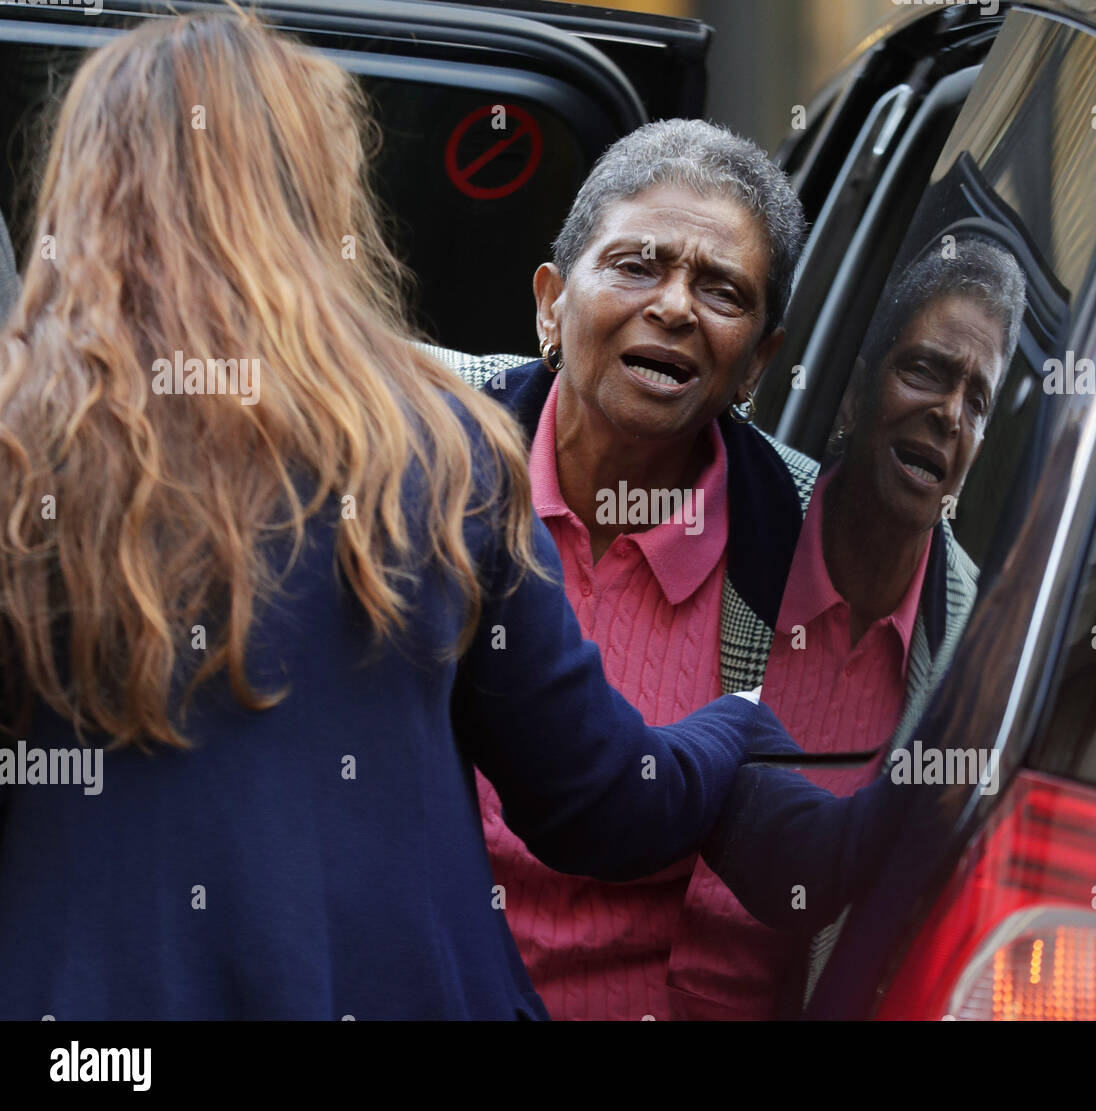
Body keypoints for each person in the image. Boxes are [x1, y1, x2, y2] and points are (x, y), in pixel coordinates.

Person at [0, 11, 798, 1021]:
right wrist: (738, 728)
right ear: (314, 196)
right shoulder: (429, 454)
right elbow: (600, 801)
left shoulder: (22, 457)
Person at [429, 119, 819, 1020]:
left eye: (722, 289)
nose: (676, 306)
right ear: (550, 305)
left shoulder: (815, 548)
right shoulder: (419, 453)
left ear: (758, 359)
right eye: (638, 266)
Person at [667, 233, 1028, 1017]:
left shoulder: (975, 646)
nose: (947, 413)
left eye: (977, 399)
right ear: (860, 392)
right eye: (926, 370)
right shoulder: (734, 500)